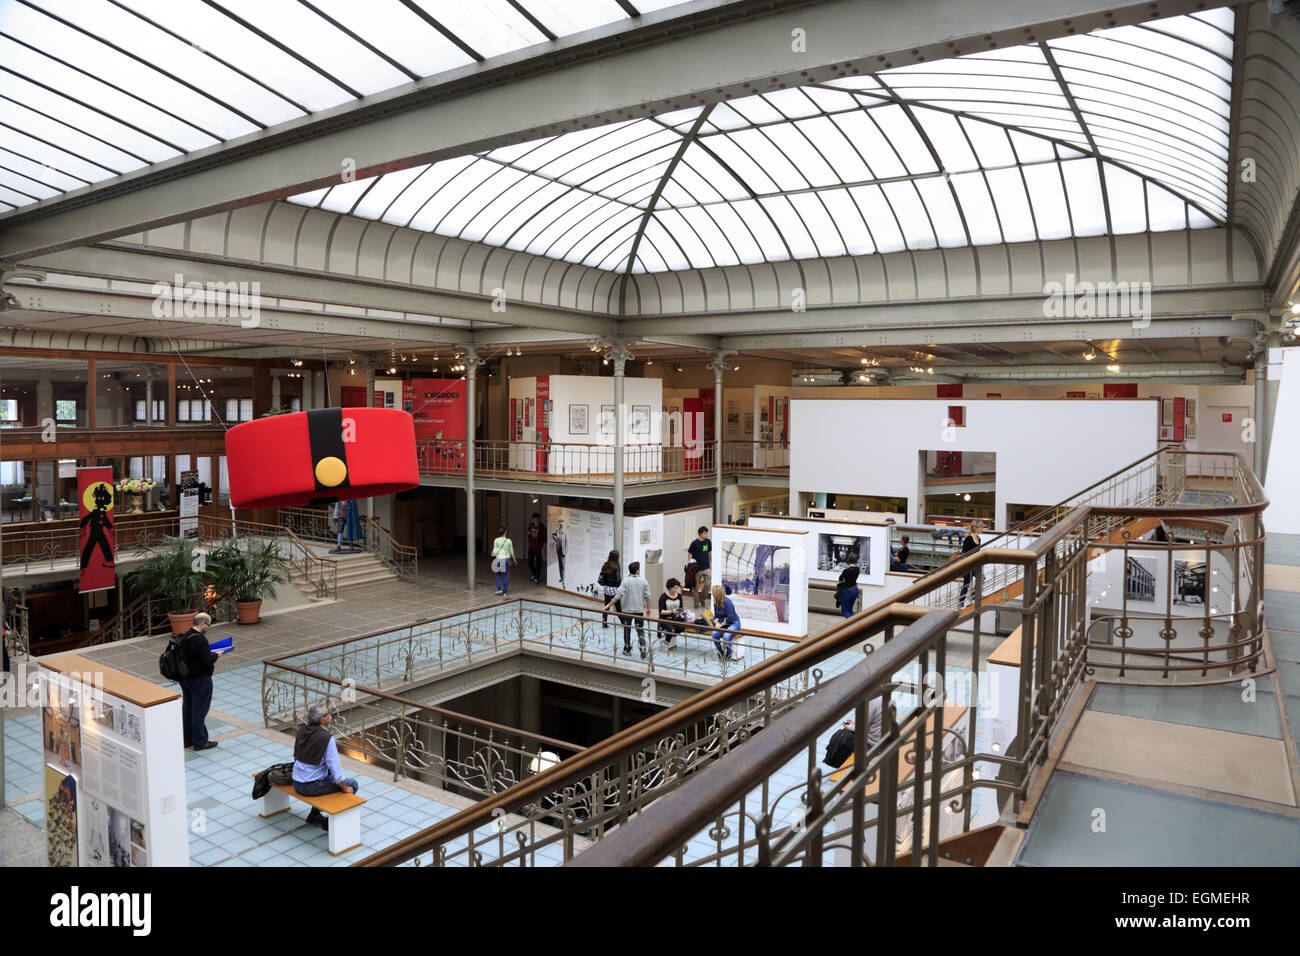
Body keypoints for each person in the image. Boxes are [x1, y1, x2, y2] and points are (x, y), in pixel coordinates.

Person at [292, 703, 360, 831]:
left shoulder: (302, 730)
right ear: (323, 719)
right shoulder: (327, 739)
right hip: (309, 787)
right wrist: (345, 788)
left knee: (327, 775)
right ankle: (331, 822)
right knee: (353, 784)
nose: (330, 716)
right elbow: (335, 768)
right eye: (328, 714)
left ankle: (314, 815)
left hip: (296, 781)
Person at [180, 612, 227, 751]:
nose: (209, 627)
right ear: (202, 624)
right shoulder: (199, 639)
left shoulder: (185, 636)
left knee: (188, 709)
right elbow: (206, 660)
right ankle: (200, 742)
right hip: (200, 680)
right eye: (209, 624)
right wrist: (216, 655)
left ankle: (187, 740)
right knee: (199, 711)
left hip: (186, 679)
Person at [604, 560, 650, 658]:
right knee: (640, 629)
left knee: (627, 629)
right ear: (637, 571)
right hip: (639, 610)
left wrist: (608, 605)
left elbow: (618, 595)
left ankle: (627, 648)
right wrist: (648, 608)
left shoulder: (626, 581)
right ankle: (642, 646)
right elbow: (647, 596)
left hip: (627, 611)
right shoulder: (643, 581)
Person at [710, 584, 742, 662]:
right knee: (714, 634)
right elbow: (716, 616)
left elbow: (730, 616)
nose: (712, 595)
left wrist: (721, 624)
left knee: (727, 636)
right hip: (723, 624)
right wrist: (716, 622)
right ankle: (720, 652)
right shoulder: (715, 603)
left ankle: (728, 654)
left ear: (716, 594)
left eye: (713, 593)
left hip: (734, 623)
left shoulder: (727, 601)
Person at [656, 577, 688, 649]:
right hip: (665, 618)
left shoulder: (679, 596)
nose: (675, 590)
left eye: (676, 588)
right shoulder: (663, 597)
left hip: (676, 618)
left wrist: (683, 612)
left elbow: (681, 607)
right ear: (669, 588)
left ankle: (668, 638)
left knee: (683, 628)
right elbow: (661, 611)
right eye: (674, 588)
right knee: (671, 629)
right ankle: (666, 640)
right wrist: (672, 611)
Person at [957, 521, 984, 605]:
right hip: (968, 564)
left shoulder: (979, 538)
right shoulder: (968, 538)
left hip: (975, 563)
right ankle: (962, 602)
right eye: (981, 527)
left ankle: (970, 597)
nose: (982, 529)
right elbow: (964, 552)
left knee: (968, 583)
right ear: (976, 528)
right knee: (967, 584)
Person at [687, 526, 711, 609]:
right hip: (697, 569)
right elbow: (690, 554)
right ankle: (696, 604)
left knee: (708, 585)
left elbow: (709, 553)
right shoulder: (694, 543)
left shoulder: (708, 542)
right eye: (705, 533)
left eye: (707, 533)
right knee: (696, 587)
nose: (706, 535)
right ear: (700, 534)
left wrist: (711, 562)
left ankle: (702, 598)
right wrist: (691, 563)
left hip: (707, 567)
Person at [598, 550, 622, 629]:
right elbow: (618, 579)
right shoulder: (616, 566)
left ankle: (604, 623)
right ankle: (623, 622)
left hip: (606, 588)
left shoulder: (605, 565)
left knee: (606, 606)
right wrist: (618, 585)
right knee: (618, 607)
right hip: (614, 589)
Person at [835, 551, 860, 619]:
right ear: (856, 560)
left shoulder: (846, 571)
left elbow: (840, 579)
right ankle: (851, 626)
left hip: (848, 591)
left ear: (848, 560)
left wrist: (844, 579)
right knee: (850, 609)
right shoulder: (858, 569)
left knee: (845, 610)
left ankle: (854, 623)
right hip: (855, 589)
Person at [491, 526, 515, 595]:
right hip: (507, 559)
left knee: (498, 574)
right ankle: (505, 592)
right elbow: (511, 551)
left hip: (499, 559)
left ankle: (499, 589)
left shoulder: (496, 540)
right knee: (505, 575)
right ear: (505, 532)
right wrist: (514, 559)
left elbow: (495, 551)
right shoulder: (509, 540)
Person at [526, 513, 547, 584]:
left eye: (537, 519)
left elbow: (544, 540)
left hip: (539, 548)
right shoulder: (531, 525)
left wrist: (543, 549)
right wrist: (528, 533)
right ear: (532, 519)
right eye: (534, 519)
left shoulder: (543, 528)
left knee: (538, 563)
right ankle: (534, 574)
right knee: (530, 561)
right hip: (531, 546)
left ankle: (537, 577)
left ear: (539, 519)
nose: (535, 521)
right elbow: (528, 532)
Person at [552, 520, 567, 588]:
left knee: (563, 567)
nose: (561, 524)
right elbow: (553, 535)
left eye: (562, 523)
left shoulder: (565, 531)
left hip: (563, 551)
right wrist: (556, 541)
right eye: (560, 523)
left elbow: (566, 542)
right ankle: (561, 578)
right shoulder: (557, 531)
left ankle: (563, 581)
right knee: (560, 566)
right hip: (558, 550)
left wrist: (566, 551)